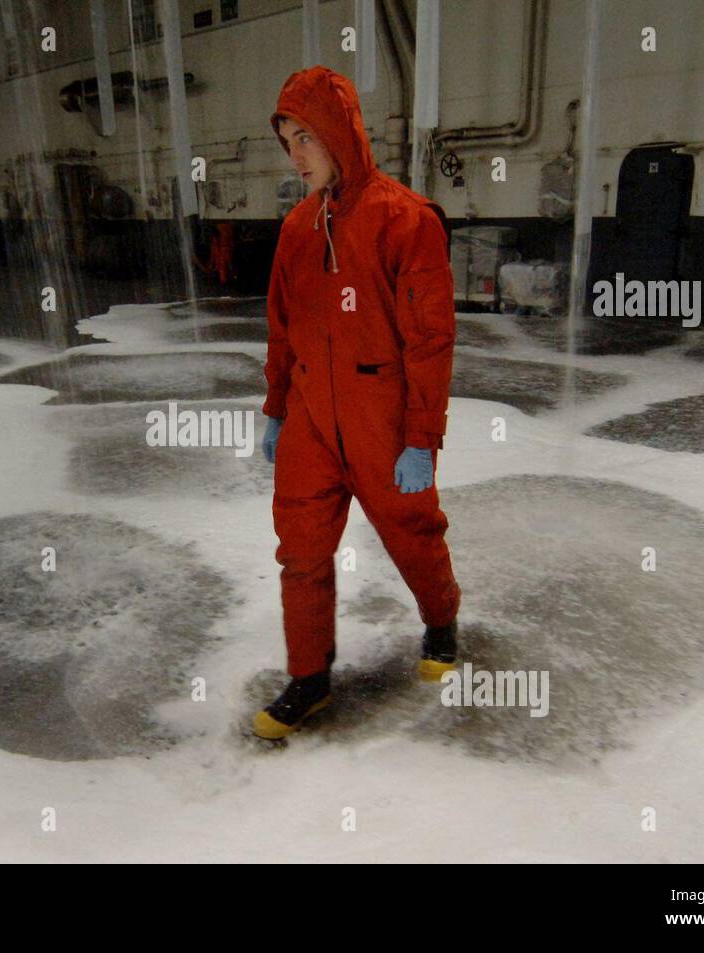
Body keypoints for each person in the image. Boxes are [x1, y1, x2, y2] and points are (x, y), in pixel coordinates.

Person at [252, 66, 461, 740]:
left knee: (413, 532)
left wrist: (419, 440)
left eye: (307, 137)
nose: (297, 156)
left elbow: (430, 341)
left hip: (383, 418)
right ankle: (308, 678)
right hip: (313, 417)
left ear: (341, 133)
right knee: (301, 551)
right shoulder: (295, 230)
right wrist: (278, 409)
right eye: (288, 142)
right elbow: (283, 328)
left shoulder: (406, 221)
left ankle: (441, 624)